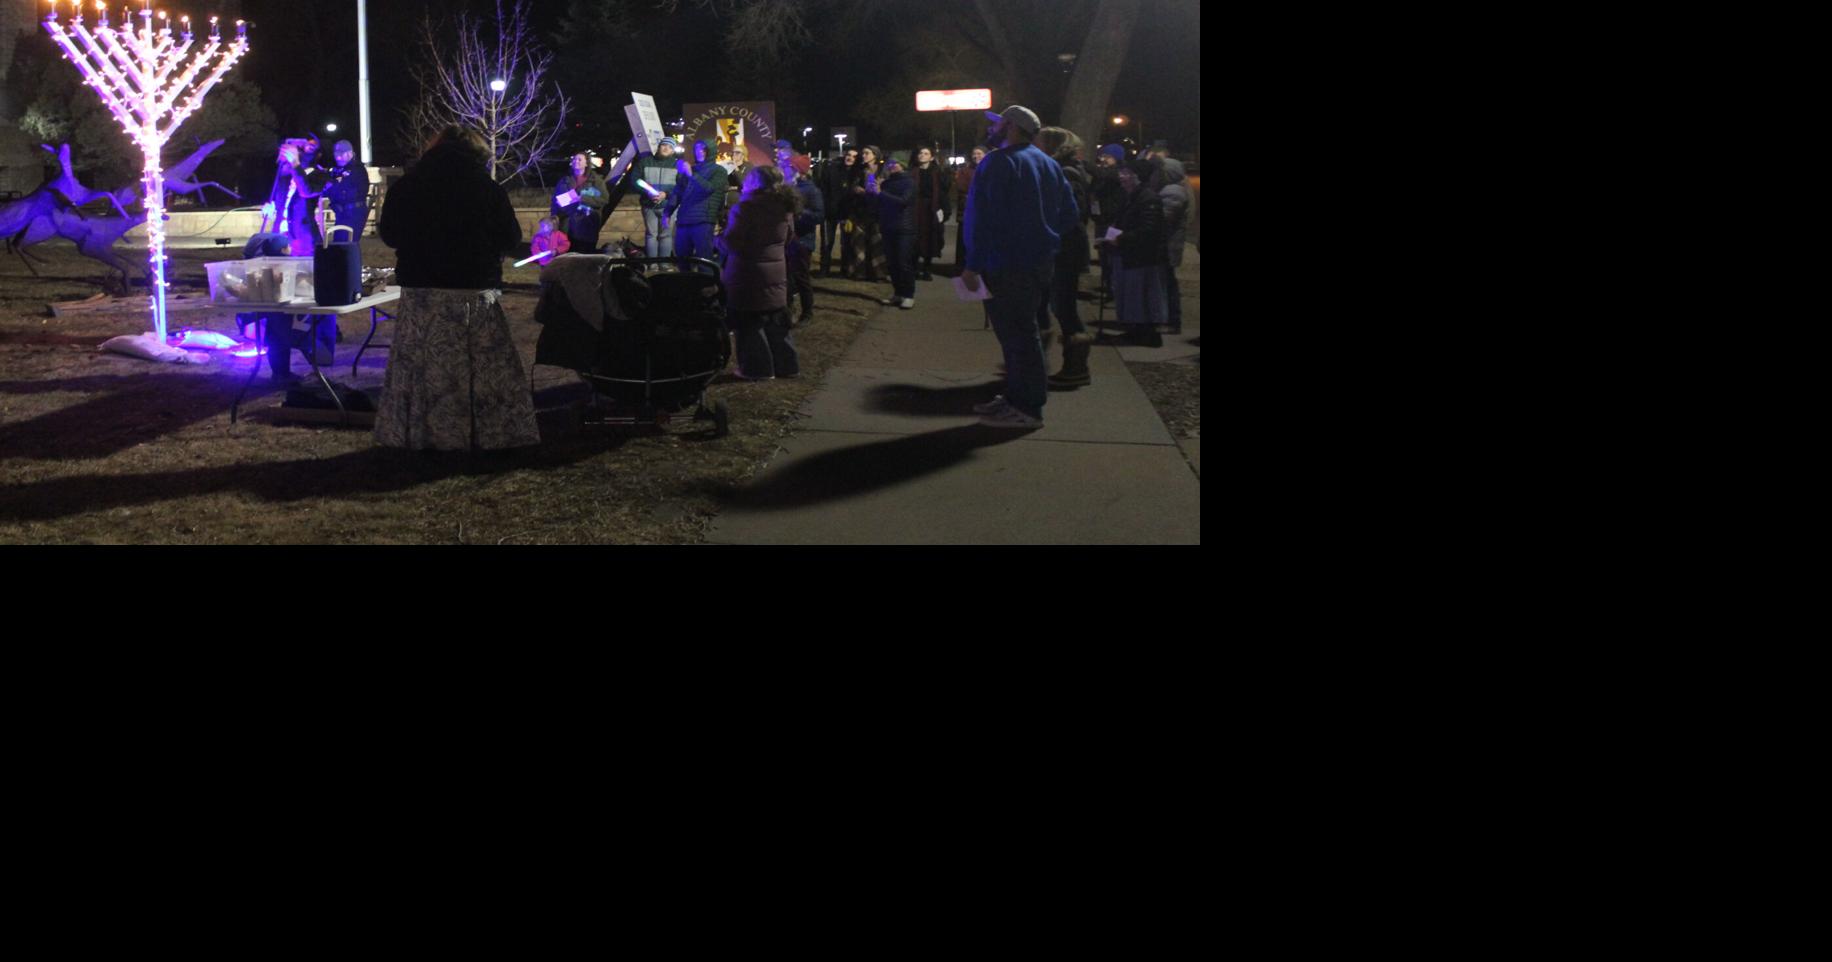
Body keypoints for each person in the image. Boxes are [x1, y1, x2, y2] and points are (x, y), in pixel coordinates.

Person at [376, 125, 536, 451]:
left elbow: (390, 234)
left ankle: (421, 435)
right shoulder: (486, 188)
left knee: (425, 370)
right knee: (479, 368)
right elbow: (510, 237)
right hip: (472, 290)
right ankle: (483, 434)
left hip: (423, 292)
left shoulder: (408, 186)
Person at [961, 105, 1079, 429]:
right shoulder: (1049, 164)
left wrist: (972, 265)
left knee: (1018, 336)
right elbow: (1070, 215)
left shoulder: (999, 163)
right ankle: (1016, 398)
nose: (993, 129)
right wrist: (1045, 235)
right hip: (1038, 262)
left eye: (999, 124)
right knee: (1023, 333)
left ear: (1011, 127)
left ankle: (1027, 408)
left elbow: (986, 218)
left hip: (1005, 263)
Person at [718, 164, 802, 380]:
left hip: (748, 272)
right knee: (775, 320)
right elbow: (788, 238)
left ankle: (757, 369)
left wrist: (718, 239)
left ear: (754, 182)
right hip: (776, 270)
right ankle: (787, 365)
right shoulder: (785, 206)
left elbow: (733, 242)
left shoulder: (746, 207)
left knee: (749, 322)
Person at [1035, 126, 1095, 389]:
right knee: (1052, 303)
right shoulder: (1064, 169)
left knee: (1063, 306)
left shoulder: (1064, 172)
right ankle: (1042, 361)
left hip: (1065, 249)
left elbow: (1069, 215)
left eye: (1039, 141)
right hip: (1063, 247)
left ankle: (1076, 367)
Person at [1094, 160, 1167, 348]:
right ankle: (1136, 331)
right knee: (1131, 296)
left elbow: (1149, 230)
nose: (1121, 176)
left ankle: (1143, 333)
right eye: (1121, 172)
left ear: (1138, 176)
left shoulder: (1147, 198)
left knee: (1139, 296)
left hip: (1140, 257)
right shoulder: (1132, 196)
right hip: (1129, 255)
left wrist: (1121, 239)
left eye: (1126, 173)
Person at [777, 140, 823, 325]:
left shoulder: (811, 191)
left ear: (798, 171)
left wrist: (798, 212)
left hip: (803, 240)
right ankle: (787, 310)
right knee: (786, 277)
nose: (785, 170)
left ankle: (807, 311)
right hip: (788, 240)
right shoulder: (788, 188)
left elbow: (819, 216)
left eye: (789, 168)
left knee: (801, 277)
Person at [670, 140, 730, 265]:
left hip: (703, 220)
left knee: (704, 259)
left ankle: (707, 283)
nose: (699, 152)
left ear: (711, 151)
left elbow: (708, 188)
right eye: (697, 149)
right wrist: (667, 212)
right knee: (682, 258)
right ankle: (687, 283)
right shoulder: (691, 169)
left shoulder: (719, 171)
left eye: (703, 149)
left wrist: (692, 175)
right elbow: (678, 192)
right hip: (684, 219)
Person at [872, 155, 917, 309]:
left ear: (903, 165)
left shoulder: (909, 182)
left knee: (903, 262)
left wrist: (881, 193)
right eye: (890, 163)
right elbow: (880, 202)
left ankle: (909, 294)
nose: (891, 166)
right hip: (888, 226)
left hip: (904, 228)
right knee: (892, 263)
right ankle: (898, 293)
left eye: (895, 163)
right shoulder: (887, 183)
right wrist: (875, 192)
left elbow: (903, 202)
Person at [1157, 156, 1191, 336]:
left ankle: (1172, 320)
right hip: (1168, 244)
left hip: (1168, 245)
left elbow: (1163, 218)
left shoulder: (1173, 192)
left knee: (1168, 284)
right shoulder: (1172, 189)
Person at [551, 152, 609, 253]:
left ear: (587, 163)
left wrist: (582, 198)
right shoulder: (564, 181)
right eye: (574, 159)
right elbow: (556, 202)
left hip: (586, 224)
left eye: (579, 159)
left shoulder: (596, 181)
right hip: (567, 223)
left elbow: (604, 199)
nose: (576, 161)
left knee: (585, 255)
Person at [1090, 144, 1126, 296]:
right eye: (1102, 156)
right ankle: (1107, 284)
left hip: (1114, 221)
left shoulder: (1120, 173)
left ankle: (1115, 287)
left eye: (1107, 157)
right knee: (1103, 255)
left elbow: (1105, 175)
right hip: (1101, 219)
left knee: (1112, 254)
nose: (1103, 159)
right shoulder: (1102, 175)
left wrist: (1085, 165)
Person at [635, 137, 680, 259]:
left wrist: (666, 194)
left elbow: (681, 185)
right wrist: (647, 192)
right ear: (659, 146)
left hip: (669, 206)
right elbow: (634, 180)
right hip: (649, 205)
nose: (666, 148)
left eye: (670, 147)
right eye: (664, 145)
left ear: (672, 151)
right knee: (651, 235)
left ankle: (664, 263)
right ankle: (652, 264)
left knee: (666, 235)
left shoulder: (677, 164)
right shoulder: (645, 162)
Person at [911, 146, 951, 280]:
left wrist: (945, 210)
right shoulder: (912, 172)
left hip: (931, 208)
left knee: (931, 238)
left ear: (931, 157)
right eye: (920, 153)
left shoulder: (937, 173)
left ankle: (927, 268)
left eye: (926, 153)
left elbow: (943, 193)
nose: (922, 155)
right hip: (916, 208)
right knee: (915, 237)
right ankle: (915, 267)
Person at [845, 145, 884, 281]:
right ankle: (859, 271)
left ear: (875, 155)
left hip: (877, 211)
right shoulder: (859, 171)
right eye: (863, 153)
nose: (864, 155)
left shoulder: (882, 171)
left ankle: (879, 273)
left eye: (867, 153)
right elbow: (852, 187)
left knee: (877, 243)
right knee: (859, 243)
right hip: (861, 211)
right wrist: (857, 189)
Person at [819, 147, 857, 276]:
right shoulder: (832, 170)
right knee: (827, 243)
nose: (850, 157)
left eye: (854, 156)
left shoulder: (856, 174)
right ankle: (824, 269)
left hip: (847, 213)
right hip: (830, 212)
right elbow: (823, 189)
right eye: (848, 154)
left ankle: (845, 270)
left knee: (846, 243)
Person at [325, 140, 370, 237]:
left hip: (353, 212)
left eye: (341, 153)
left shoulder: (356, 169)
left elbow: (343, 188)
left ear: (349, 153)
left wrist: (332, 184)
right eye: (336, 153)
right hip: (343, 212)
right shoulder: (338, 170)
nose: (337, 156)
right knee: (340, 243)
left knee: (348, 244)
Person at [952, 145, 985, 273]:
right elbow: (962, 187)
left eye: (979, 153)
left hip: (984, 212)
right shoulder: (965, 171)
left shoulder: (991, 169)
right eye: (974, 154)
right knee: (965, 239)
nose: (976, 156)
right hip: (968, 210)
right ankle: (962, 266)